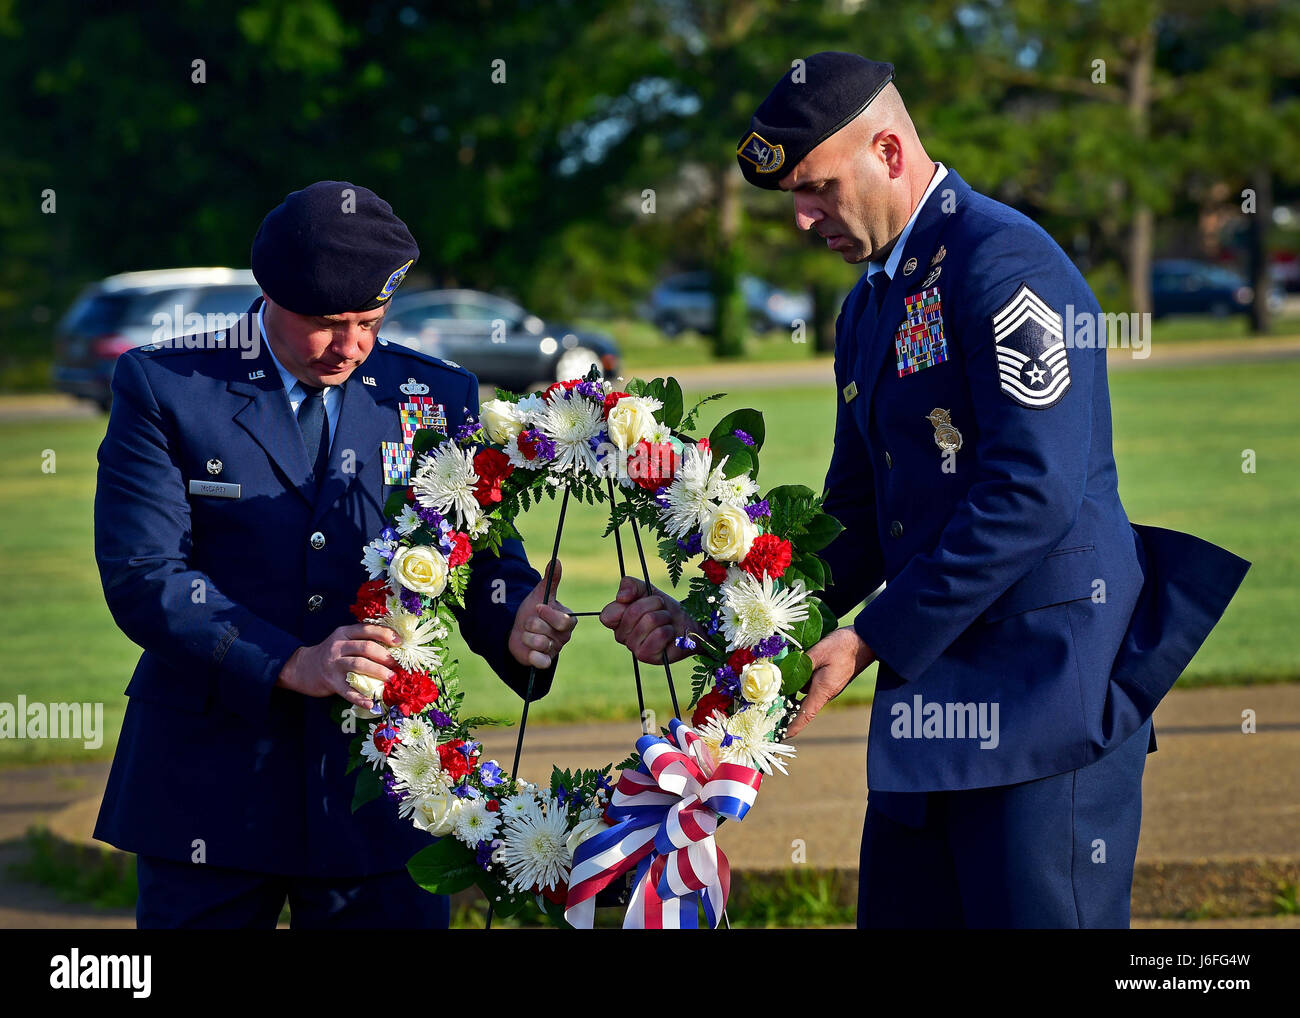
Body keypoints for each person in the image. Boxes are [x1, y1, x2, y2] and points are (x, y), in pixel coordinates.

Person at [602, 53, 1250, 928]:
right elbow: (855, 520)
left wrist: (869, 637)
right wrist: (717, 625)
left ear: (891, 152)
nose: (800, 218)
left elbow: (1032, 489)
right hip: (929, 727)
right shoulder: (871, 302)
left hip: (1038, 715)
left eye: (816, 187)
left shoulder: (1004, 261)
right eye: (792, 195)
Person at [93, 180, 576, 929]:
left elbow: (483, 557)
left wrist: (512, 620)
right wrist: (290, 662)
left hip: (387, 790)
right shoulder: (168, 384)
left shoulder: (438, 392)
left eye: (370, 322)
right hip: (209, 790)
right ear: (268, 296)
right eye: (326, 324)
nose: (351, 346)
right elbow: (144, 574)